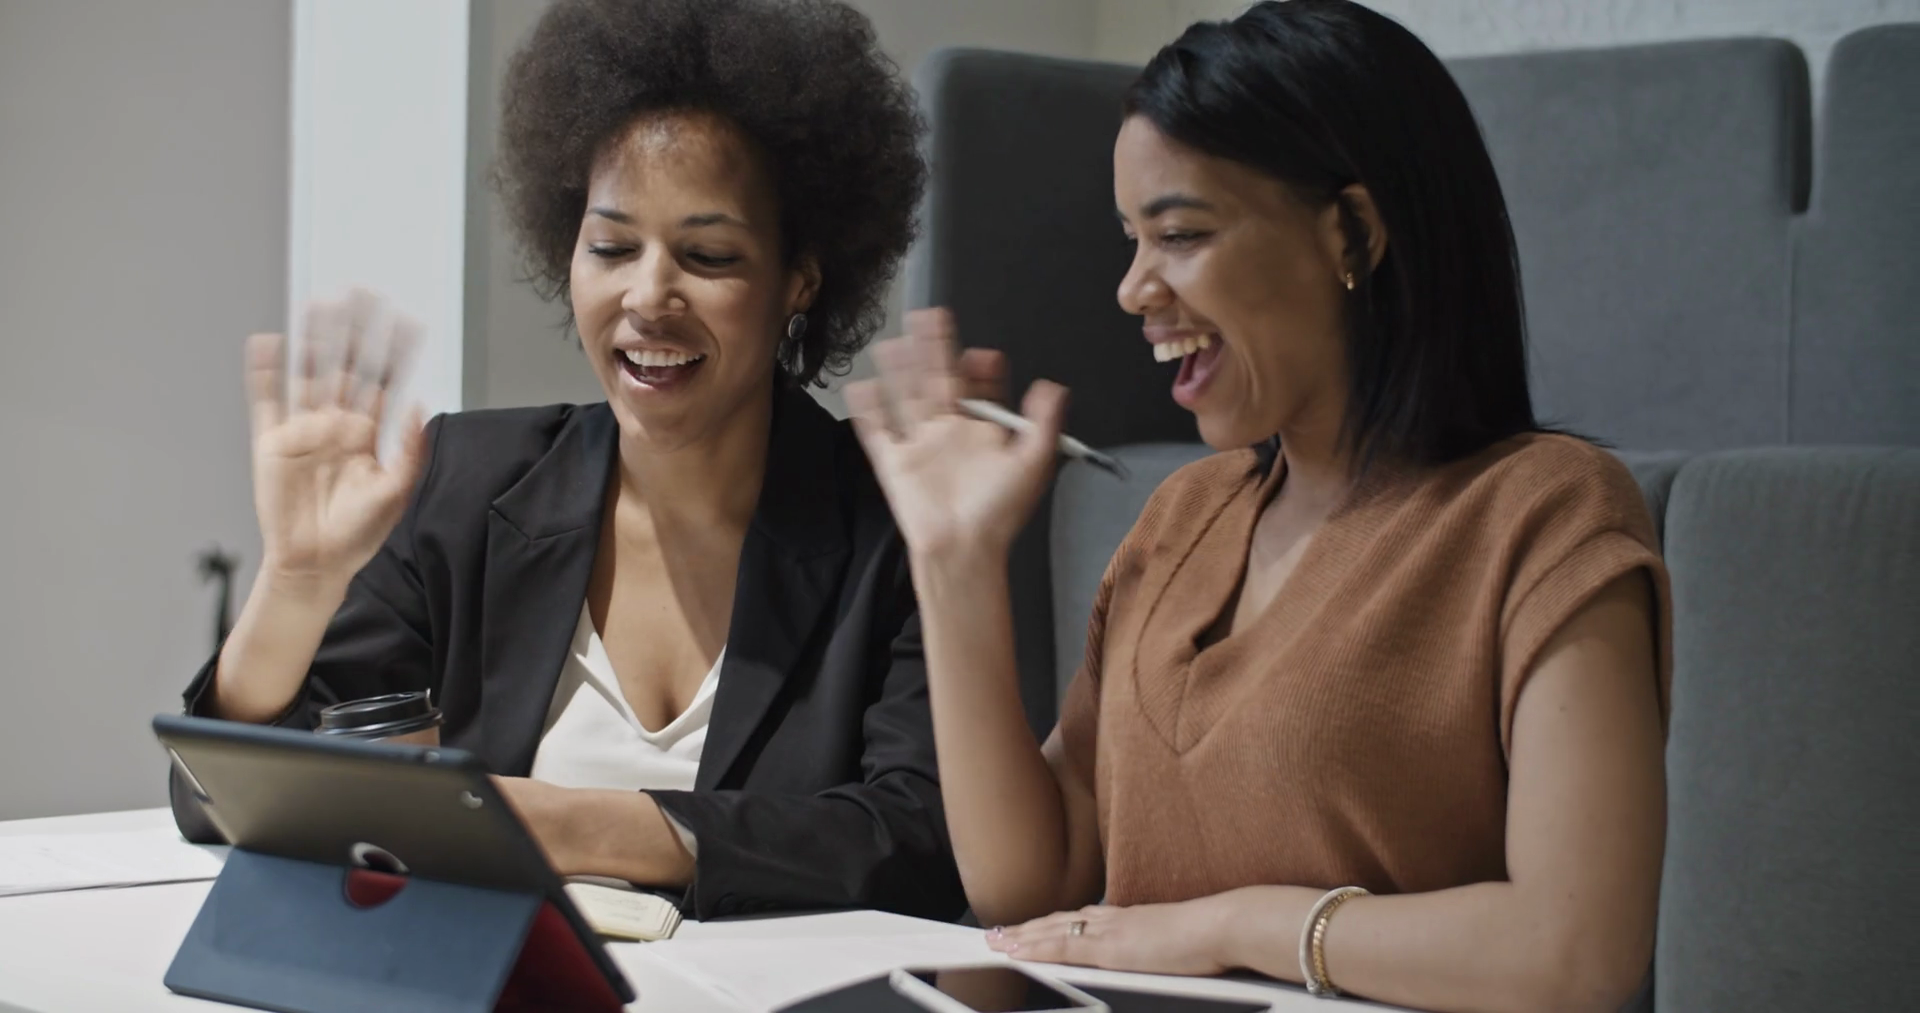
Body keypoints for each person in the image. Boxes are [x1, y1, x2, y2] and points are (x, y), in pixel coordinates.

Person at [845, 1, 1670, 1009]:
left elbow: (1574, 952)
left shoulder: (1547, 512)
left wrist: (1233, 924)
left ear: (1353, 234)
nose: (1133, 287)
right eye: (1131, 239)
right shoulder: (1182, 514)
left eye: (1181, 233)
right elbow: (1030, 876)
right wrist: (956, 564)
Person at [168, 0, 969, 922]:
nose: (648, 294)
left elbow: (923, 839)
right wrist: (296, 586)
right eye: (612, 246)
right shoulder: (471, 482)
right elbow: (216, 800)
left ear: (800, 277)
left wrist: (564, 824)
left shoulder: (897, 519)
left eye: (707, 253)